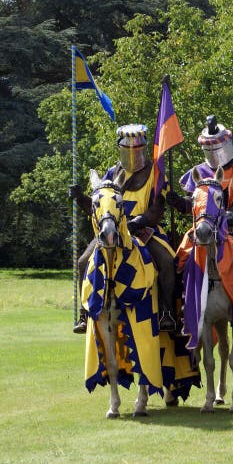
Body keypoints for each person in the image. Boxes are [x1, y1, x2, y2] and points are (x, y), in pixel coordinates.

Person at [69, 124, 178, 333]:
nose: (132, 154)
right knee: (83, 262)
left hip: (146, 231)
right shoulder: (112, 172)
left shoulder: (156, 174)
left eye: (137, 150)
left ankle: (167, 312)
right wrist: (80, 198)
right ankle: (85, 313)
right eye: (128, 149)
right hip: (113, 229)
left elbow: (157, 209)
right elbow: (98, 207)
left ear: (144, 148)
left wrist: (139, 221)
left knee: (166, 261)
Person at [166, 115, 233, 235]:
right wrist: (179, 202)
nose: (214, 154)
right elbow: (194, 202)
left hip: (231, 226)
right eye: (209, 149)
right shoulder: (199, 171)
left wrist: (231, 216)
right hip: (203, 223)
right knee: (183, 252)